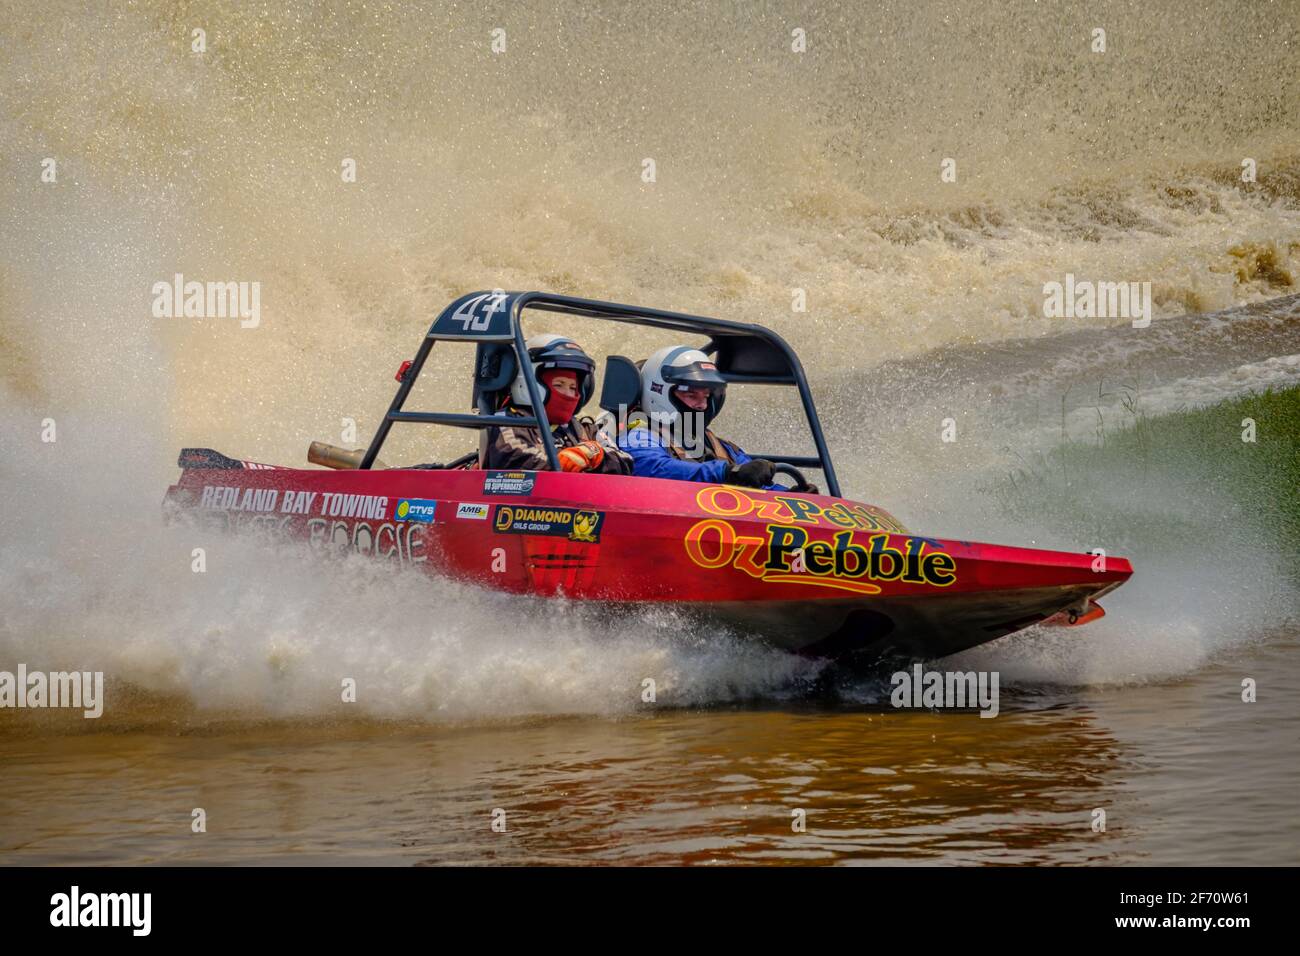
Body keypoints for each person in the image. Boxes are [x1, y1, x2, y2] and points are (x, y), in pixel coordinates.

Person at [616, 345, 813, 490]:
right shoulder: (639, 436)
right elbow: (654, 469)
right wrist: (725, 474)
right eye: (691, 395)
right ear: (658, 391)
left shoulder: (720, 446)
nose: (701, 405)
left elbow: (754, 481)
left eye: (706, 396)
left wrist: (793, 498)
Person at [485, 334, 633, 474]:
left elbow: (625, 461)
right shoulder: (508, 421)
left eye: (573, 387)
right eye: (559, 385)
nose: (568, 394)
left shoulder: (583, 429)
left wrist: (594, 453)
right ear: (530, 382)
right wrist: (564, 461)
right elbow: (517, 459)